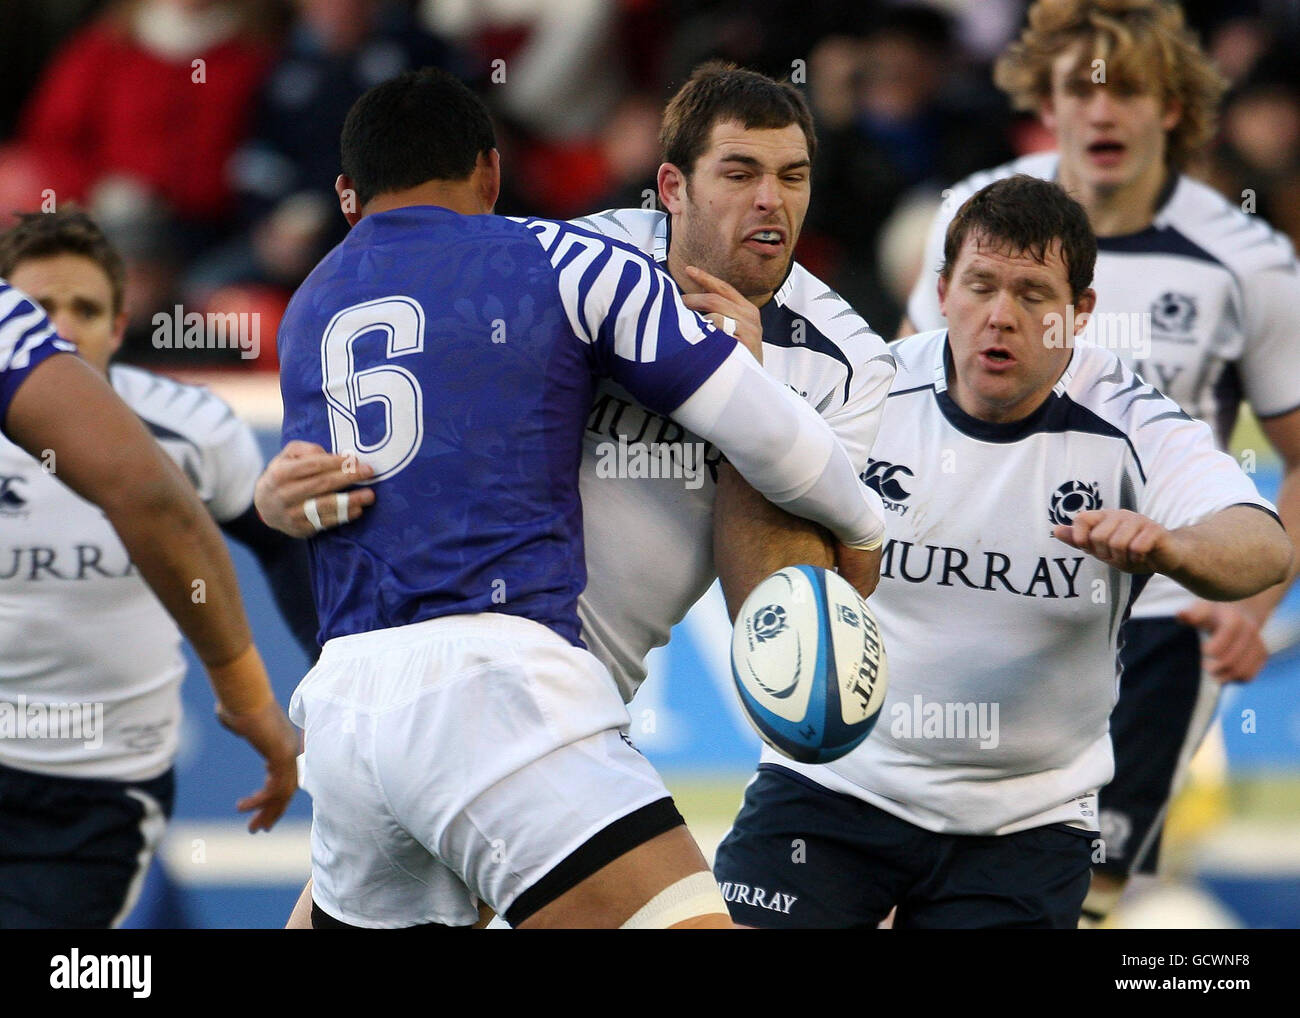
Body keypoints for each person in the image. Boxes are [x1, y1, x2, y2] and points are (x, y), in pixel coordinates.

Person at [275, 67, 886, 930]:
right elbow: (767, 430)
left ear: (346, 195)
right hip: (507, 689)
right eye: (740, 173)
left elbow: (342, 479)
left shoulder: (311, 302)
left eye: (792, 177)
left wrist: (272, 500)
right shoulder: (571, 256)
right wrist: (865, 523)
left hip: (349, 701)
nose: (769, 202)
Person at [712, 173, 1291, 929]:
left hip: (1025, 824)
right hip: (835, 790)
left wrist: (1173, 547)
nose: (1000, 317)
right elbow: (753, 493)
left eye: (1033, 295)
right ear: (943, 290)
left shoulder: (1133, 425)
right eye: (980, 286)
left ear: (1079, 314)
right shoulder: (865, 394)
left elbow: (1264, 545)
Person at [901, 0, 1300, 925]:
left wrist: (1255, 601)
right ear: (1045, 96)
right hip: (986, 590)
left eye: (1130, 89)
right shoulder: (975, 216)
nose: (1102, 111)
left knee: (1092, 891)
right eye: (1081, 88)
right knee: (926, 850)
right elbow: (904, 389)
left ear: (1173, 108)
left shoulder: (1246, 263)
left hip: (1163, 615)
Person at [0, 210, 315, 928]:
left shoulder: (189, 428)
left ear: (119, 327)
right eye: (38, 309)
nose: (60, 327)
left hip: (99, 786)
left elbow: (280, 544)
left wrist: (329, 679)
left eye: (85, 309)